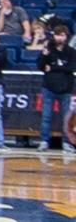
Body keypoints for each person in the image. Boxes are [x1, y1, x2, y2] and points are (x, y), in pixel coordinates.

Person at [38, 21, 73, 154]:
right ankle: (44, 141)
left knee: (66, 118)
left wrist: (52, 68)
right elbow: (40, 66)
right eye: (57, 35)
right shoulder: (48, 50)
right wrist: (45, 54)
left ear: (66, 37)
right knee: (46, 116)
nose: (59, 38)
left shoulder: (71, 52)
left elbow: (71, 67)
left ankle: (66, 143)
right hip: (48, 87)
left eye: (62, 35)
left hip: (65, 89)